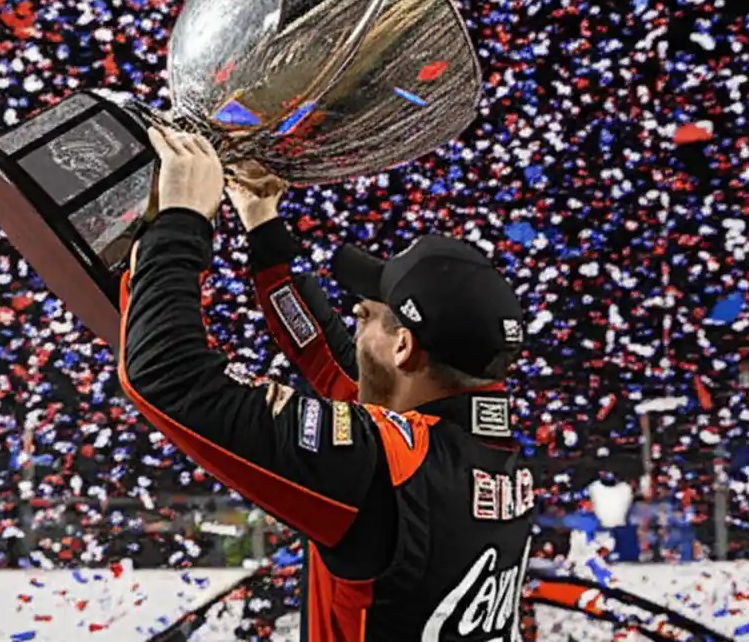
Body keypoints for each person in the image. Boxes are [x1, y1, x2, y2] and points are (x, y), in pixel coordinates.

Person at [119, 127, 536, 641]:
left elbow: (167, 373)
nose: (353, 315)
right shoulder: (482, 442)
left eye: (365, 313)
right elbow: (328, 356)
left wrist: (180, 222)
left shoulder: (389, 466)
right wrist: (262, 223)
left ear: (404, 347)